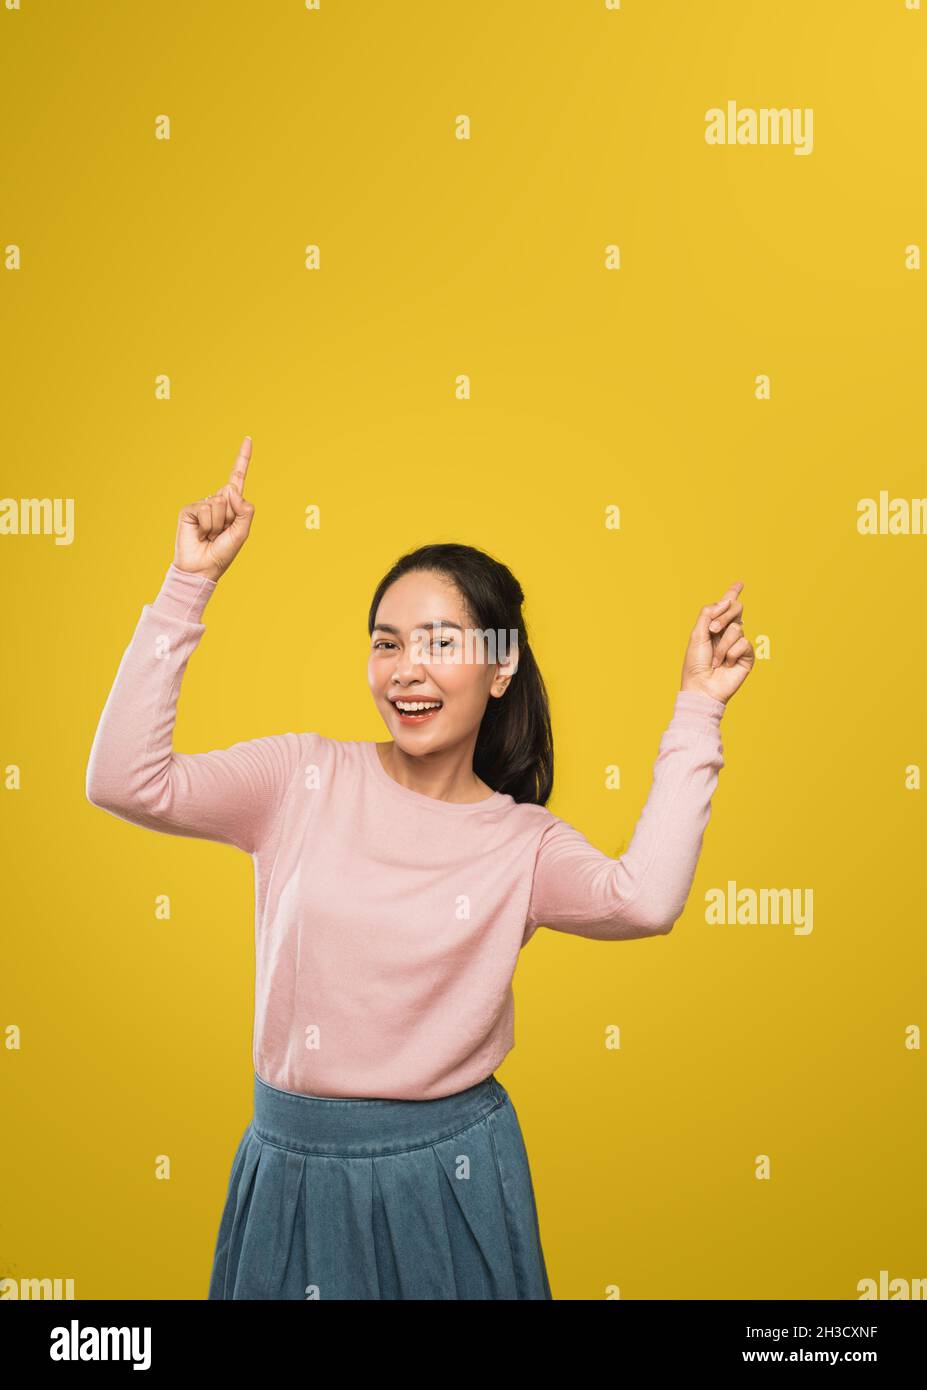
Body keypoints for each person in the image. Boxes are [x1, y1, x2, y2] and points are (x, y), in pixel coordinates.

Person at [85, 436, 754, 1300]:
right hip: (290, 1169)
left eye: (440, 642)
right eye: (386, 643)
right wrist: (189, 584)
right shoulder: (300, 777)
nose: (407, 671)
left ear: (501, 666)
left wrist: (697, 709)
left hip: (450, 1177)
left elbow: (646, 900)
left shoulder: (524, 844)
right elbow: (123, 782)